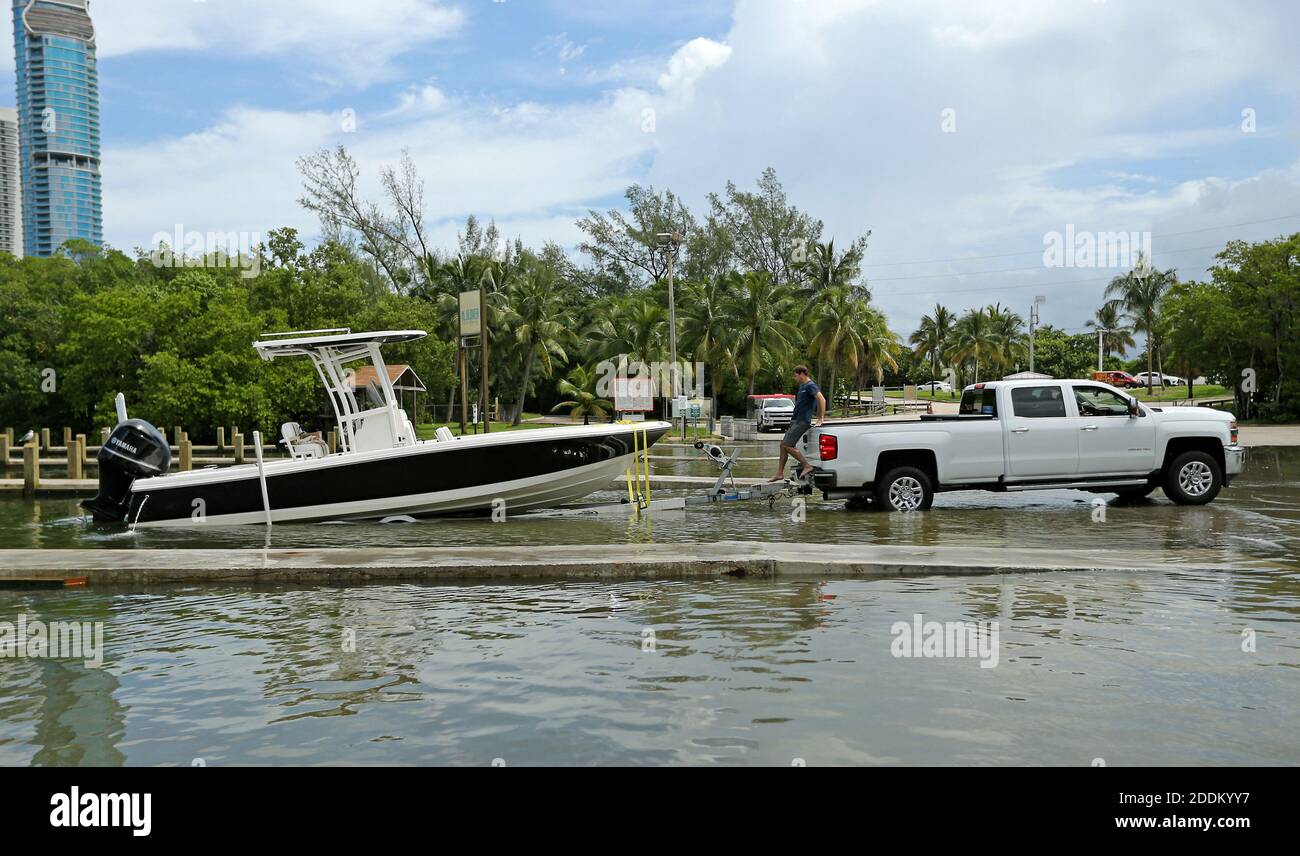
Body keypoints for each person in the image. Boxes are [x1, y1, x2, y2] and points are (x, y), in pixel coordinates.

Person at [769, 365, 825, 482]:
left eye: (796, 376)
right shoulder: (802, 386)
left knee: (787, 445)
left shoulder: (810, 386)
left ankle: (807, 466)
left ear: (802, 374)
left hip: (802, 421)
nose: (795, 379)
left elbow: (821, 399)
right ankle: (779, 473)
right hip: (796, 420)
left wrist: (820, 418)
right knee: (783, 445)